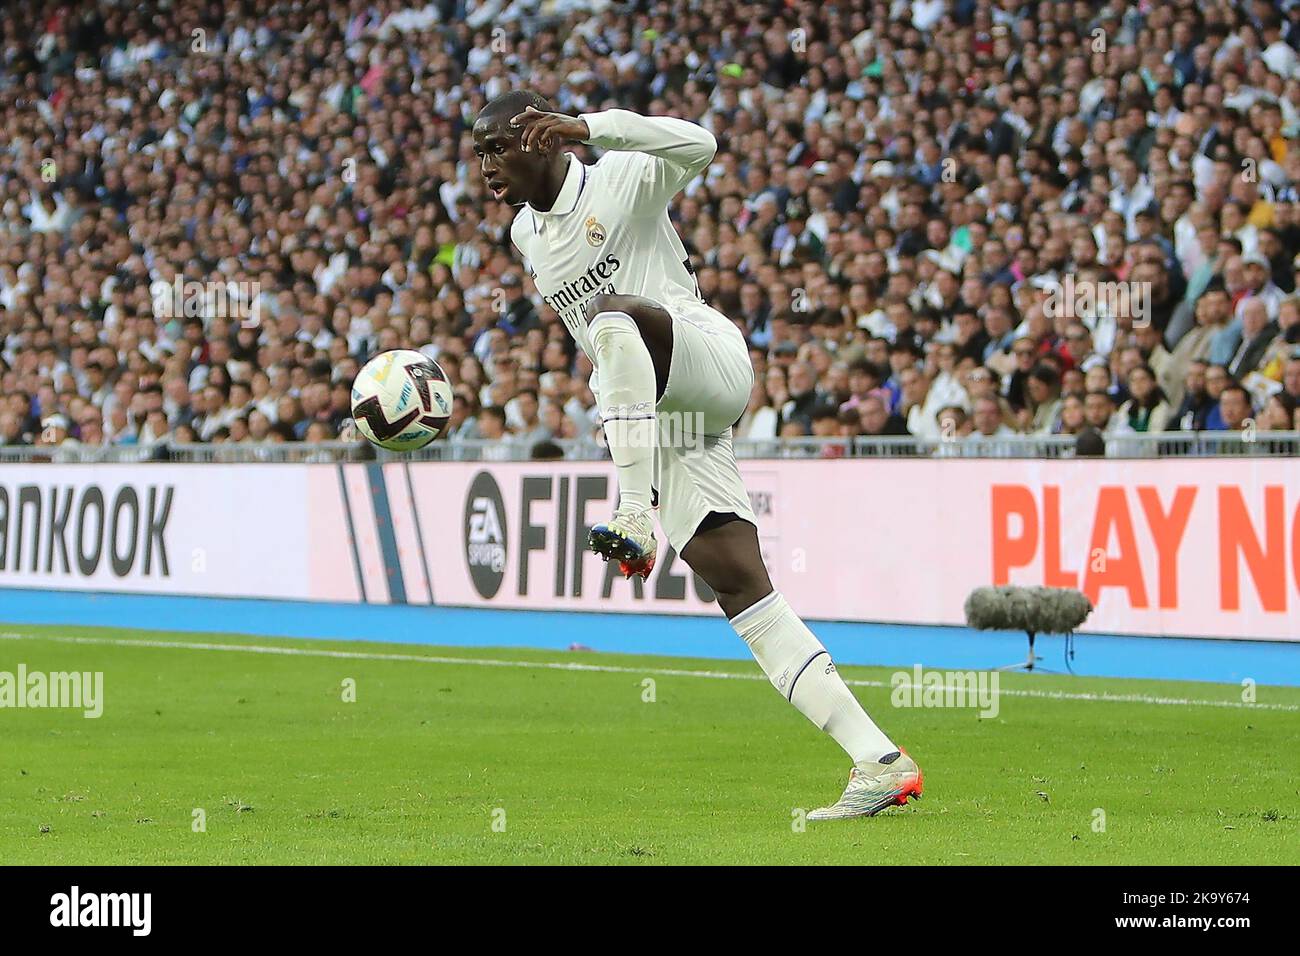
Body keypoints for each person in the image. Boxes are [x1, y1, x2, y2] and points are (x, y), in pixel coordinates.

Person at [473, 92, 920, 818]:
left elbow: (701, 142)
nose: (487, 167)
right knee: (738, 584)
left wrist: (594, 128)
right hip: (667, 416)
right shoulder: (527, 233)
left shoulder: (620, 176)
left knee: (612, 313)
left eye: (499, 148)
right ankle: (878, 760)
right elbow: (604, 357)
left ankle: (629, 511)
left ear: (545, 139)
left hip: (706, 354)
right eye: (479, 154)